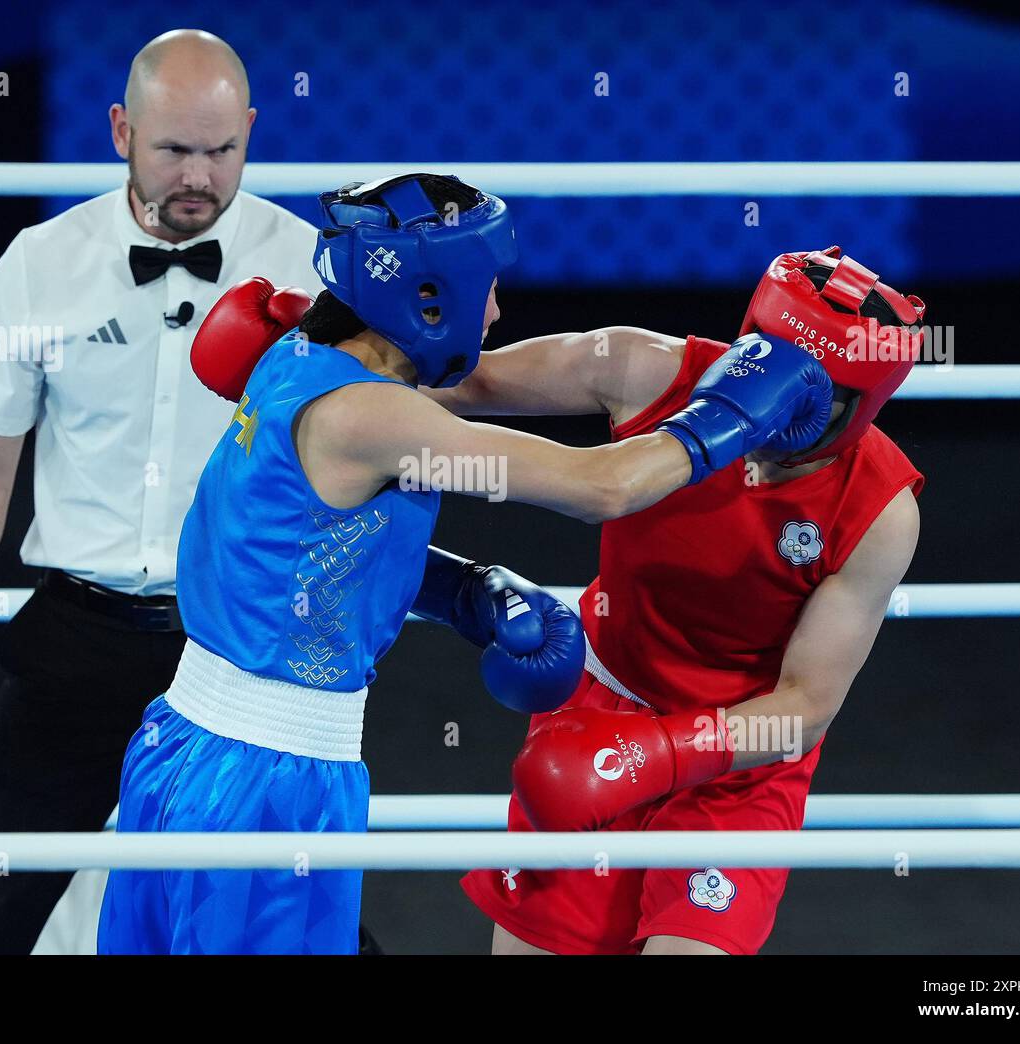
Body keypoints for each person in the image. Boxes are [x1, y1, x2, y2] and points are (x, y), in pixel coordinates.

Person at [96, 174, 835, 954]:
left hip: (181, 745)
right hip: (269, 779)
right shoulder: (369, 414)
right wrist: (728, 417)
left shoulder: (295, 355)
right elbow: (602, 486)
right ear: (426, 295)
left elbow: (299, 550)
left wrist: (459, 591)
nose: (494, 311)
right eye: (484, 288)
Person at [0, 29, 324, 955]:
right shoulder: (39, 263)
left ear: (251, 130)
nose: (199, 176)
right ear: (119, 132)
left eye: (222, 150)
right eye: (174, 149)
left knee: (279, 910)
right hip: (78, 639)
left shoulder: (308, 274)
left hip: (235, 644)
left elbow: (374, 459)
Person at [447, 246, 926, 955]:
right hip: (600, 702)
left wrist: (658, 755)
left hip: (740, 756)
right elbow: (463, 386)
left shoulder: (878, 512)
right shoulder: (643, 371)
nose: (778, 411)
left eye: (813, 397)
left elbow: (806, 705)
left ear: (863, 404)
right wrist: (316, 359)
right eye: (771, 367)